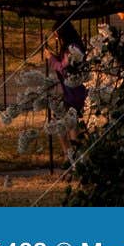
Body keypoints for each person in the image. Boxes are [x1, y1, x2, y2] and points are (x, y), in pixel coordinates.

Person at [45, 21, 87, 165]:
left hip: (75, 93)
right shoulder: (71, 46)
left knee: (71, 124)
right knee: (60, 122)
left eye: (57, 35)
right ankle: (68, 155)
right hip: (69, 92)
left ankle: (74, 157)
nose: (56, 39)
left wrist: (51, 59)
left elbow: (64, 69)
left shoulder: (73, 48)